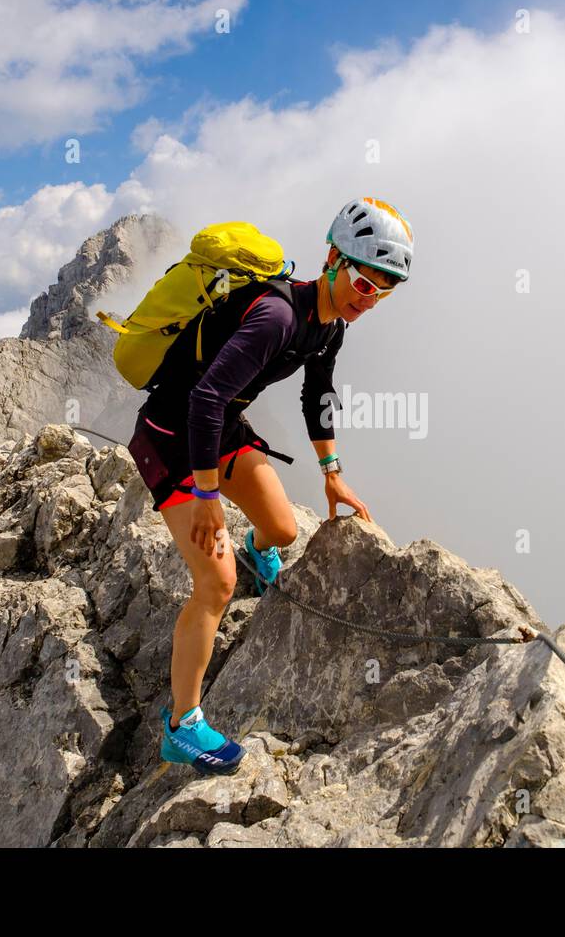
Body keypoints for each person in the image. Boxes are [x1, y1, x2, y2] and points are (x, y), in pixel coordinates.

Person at [128, 197, 414, 775]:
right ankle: (181, 726)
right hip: (169, 435)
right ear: (334, 258)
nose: (370, 296)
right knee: (216, 581)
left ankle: (260, 556)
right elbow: (204, 397)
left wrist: (332, 474)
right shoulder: (280, 317)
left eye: (384, 288)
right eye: (364, 278)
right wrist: (207, 497)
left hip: (221, 428)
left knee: (281, 528)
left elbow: (317, 397)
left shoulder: (329, 328)